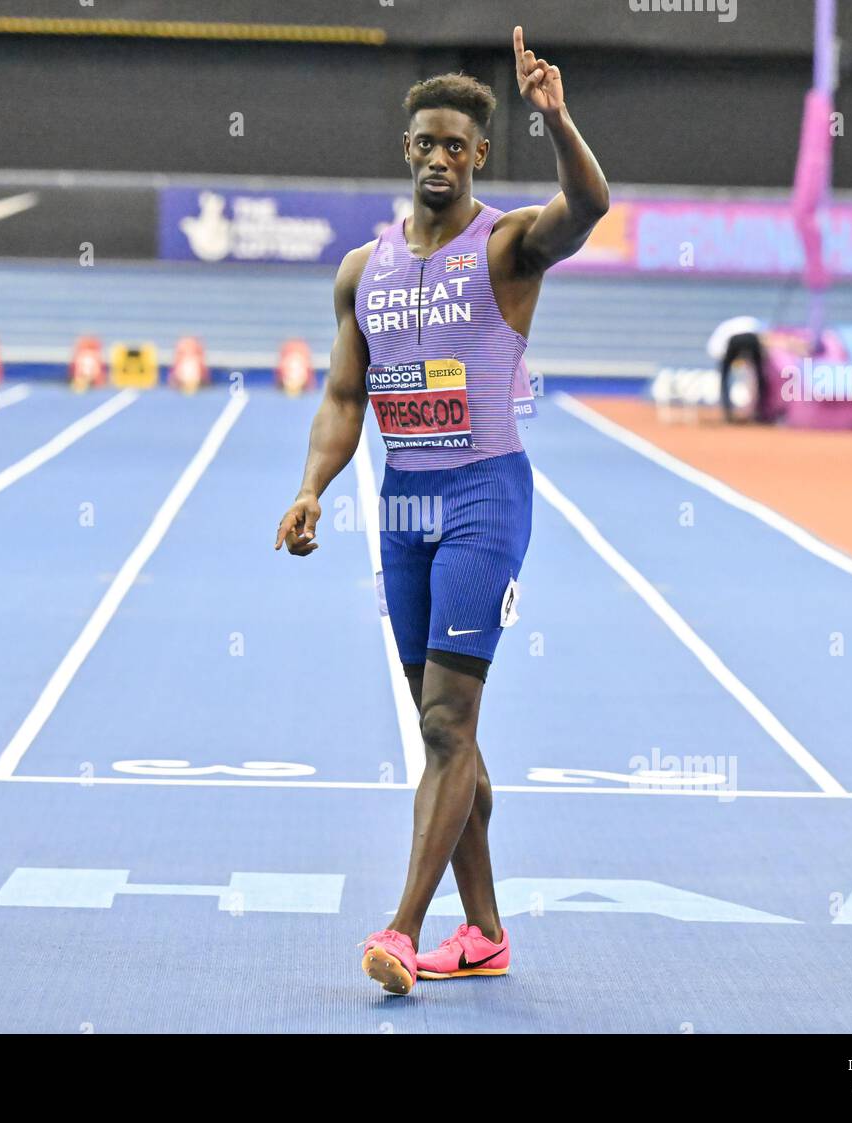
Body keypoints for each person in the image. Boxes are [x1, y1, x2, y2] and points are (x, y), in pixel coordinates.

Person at [274, 26, 610, 996]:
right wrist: (311, 488)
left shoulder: (508, 246)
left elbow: (588, 206)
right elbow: (344, 399)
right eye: (425, 141)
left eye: (457, 145)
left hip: (482, 499)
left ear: (479, 156)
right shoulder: (359, 271)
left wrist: (555, 116)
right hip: (402, 509)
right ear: (407, 148)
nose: (438, 157)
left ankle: (403, 928)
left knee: (443, 721)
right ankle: (487, 932)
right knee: (444, 729)